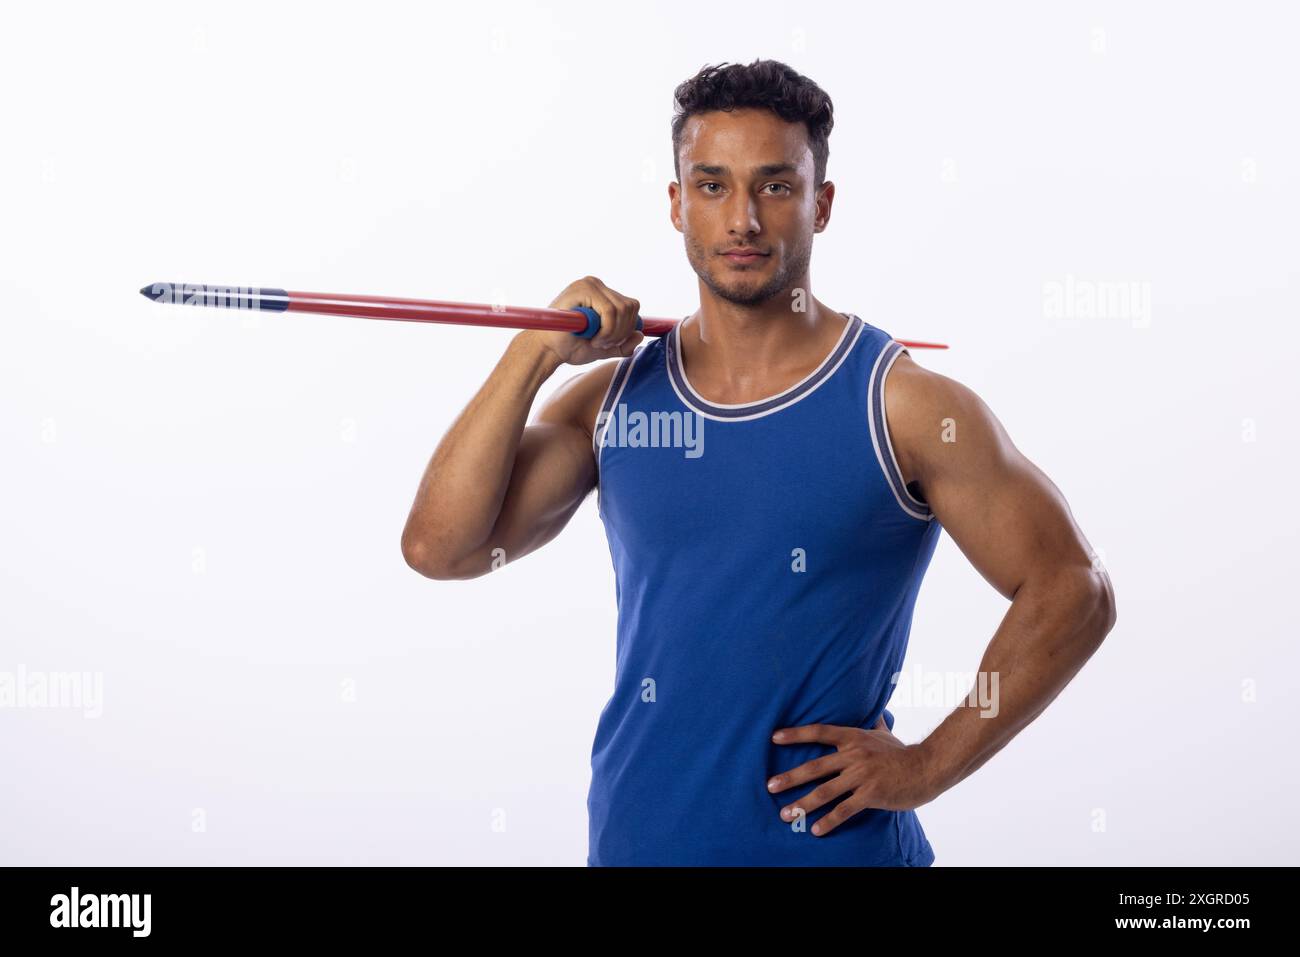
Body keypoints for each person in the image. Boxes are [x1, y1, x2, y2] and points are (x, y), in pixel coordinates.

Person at [401, 59, 1117, 866]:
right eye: (711, 186)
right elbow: (440, 548)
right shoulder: (613, 404)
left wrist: (926, 764)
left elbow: (1073, 588)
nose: (741, 217)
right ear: (676, 204)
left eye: (776, 186)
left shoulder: (904, 406)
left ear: (822, 203)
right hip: (637, 841)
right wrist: (531, 353)